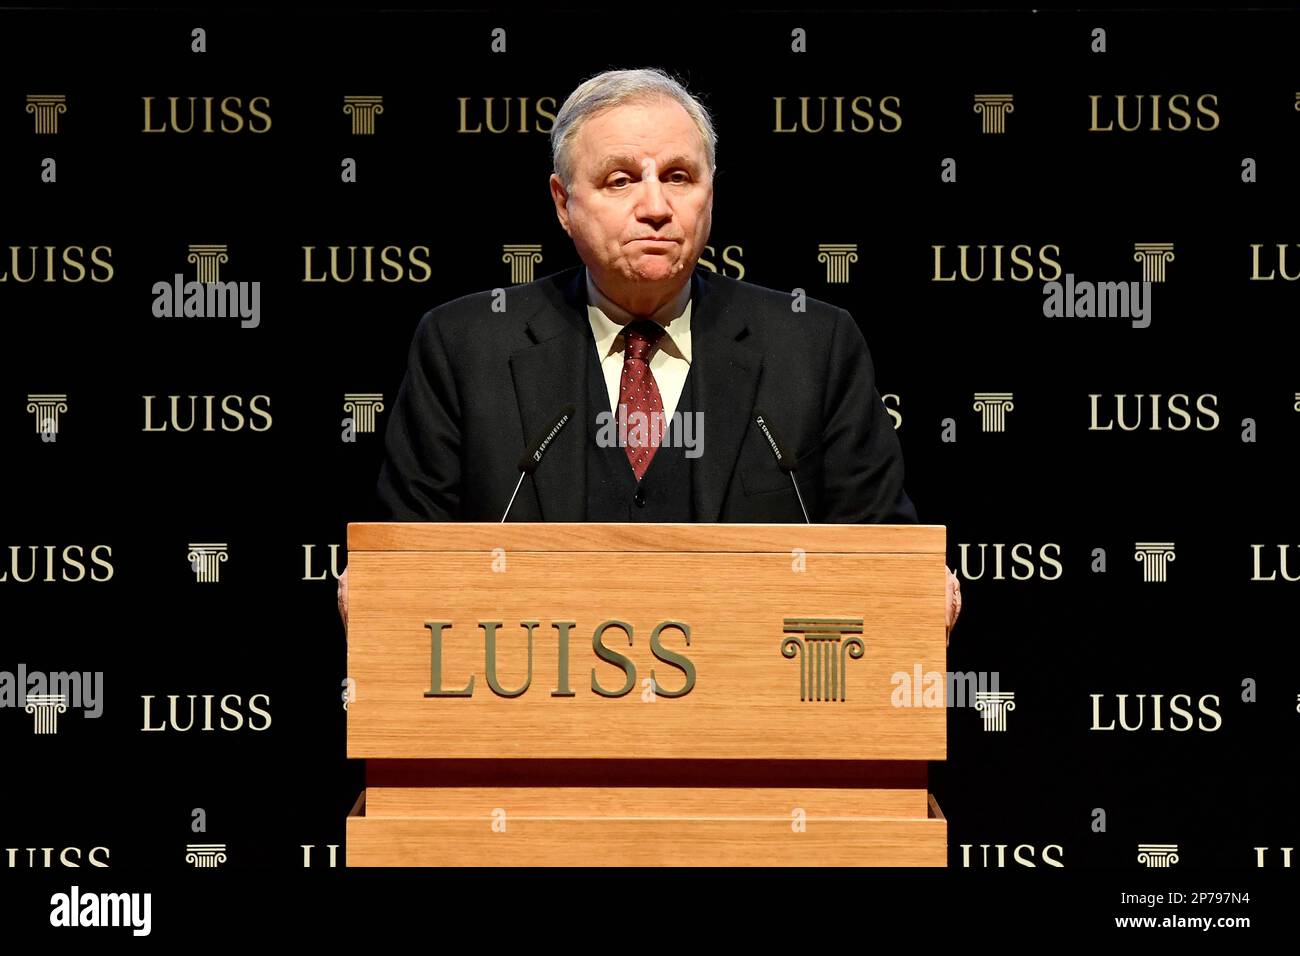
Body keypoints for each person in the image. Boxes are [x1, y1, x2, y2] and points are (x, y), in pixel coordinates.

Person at [340, 67, 961, 639]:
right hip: (533, 725)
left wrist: (913, 589)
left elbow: (881, 556)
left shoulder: (814, 346)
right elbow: (406, 568)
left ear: (710, 195)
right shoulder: (464, 347)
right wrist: (378, 588)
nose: (657, 207)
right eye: (620, 180)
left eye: (678, 177)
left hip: (755, 725)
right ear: (563, 203)